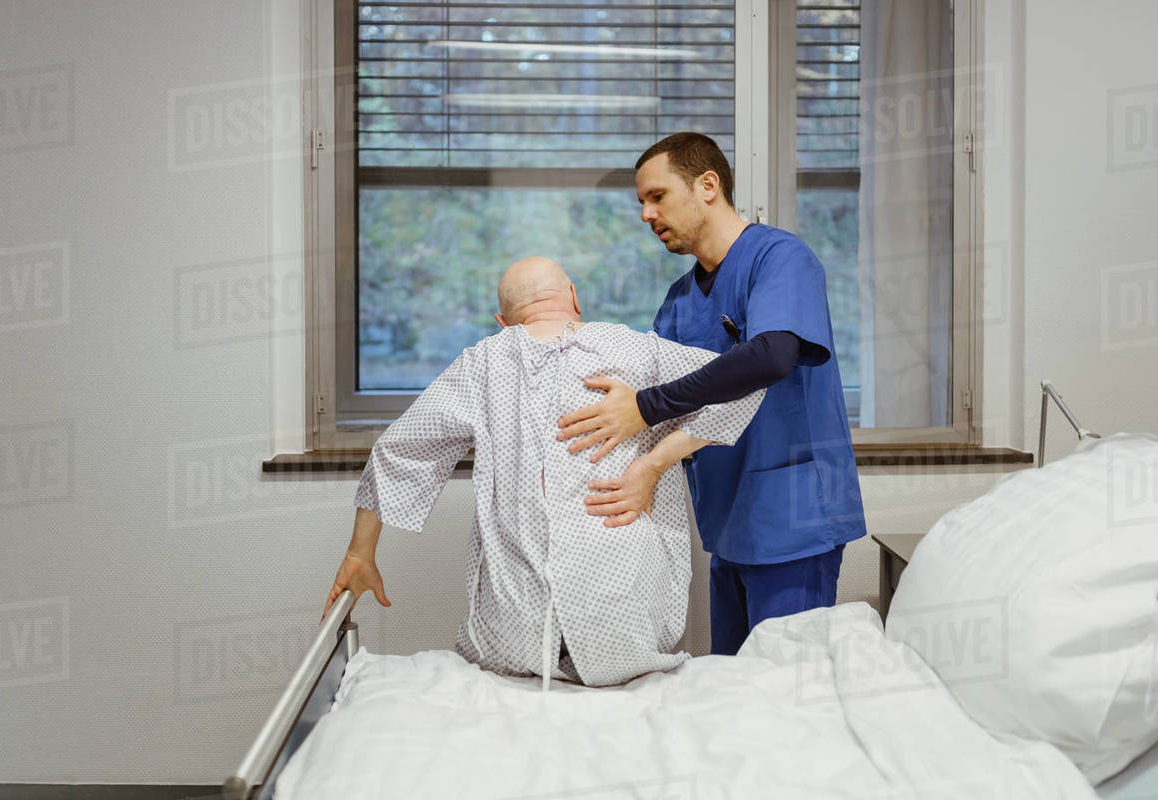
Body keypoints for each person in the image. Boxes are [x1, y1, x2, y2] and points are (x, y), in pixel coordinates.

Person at [322, 257, 764, 690]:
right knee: (635, 671)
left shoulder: (483, 364)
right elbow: (744, 383)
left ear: (502, 320)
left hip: (518, 621)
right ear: (573, 296)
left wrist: (361, 554)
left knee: (507, 663)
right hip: (623, 601)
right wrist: (655, 462)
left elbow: (398, 449)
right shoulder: (636, 349)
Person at [557, 132, 867, 656]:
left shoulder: (780, 257)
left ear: (707, 185)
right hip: (727, 523)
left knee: (784, 695)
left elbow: (771, 356)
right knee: (730, 695)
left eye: (656, 196)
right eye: (641, 203)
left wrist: (645, 407)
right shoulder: (679, 301)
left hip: (791, 518)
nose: (645, 215)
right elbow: (659, 400)